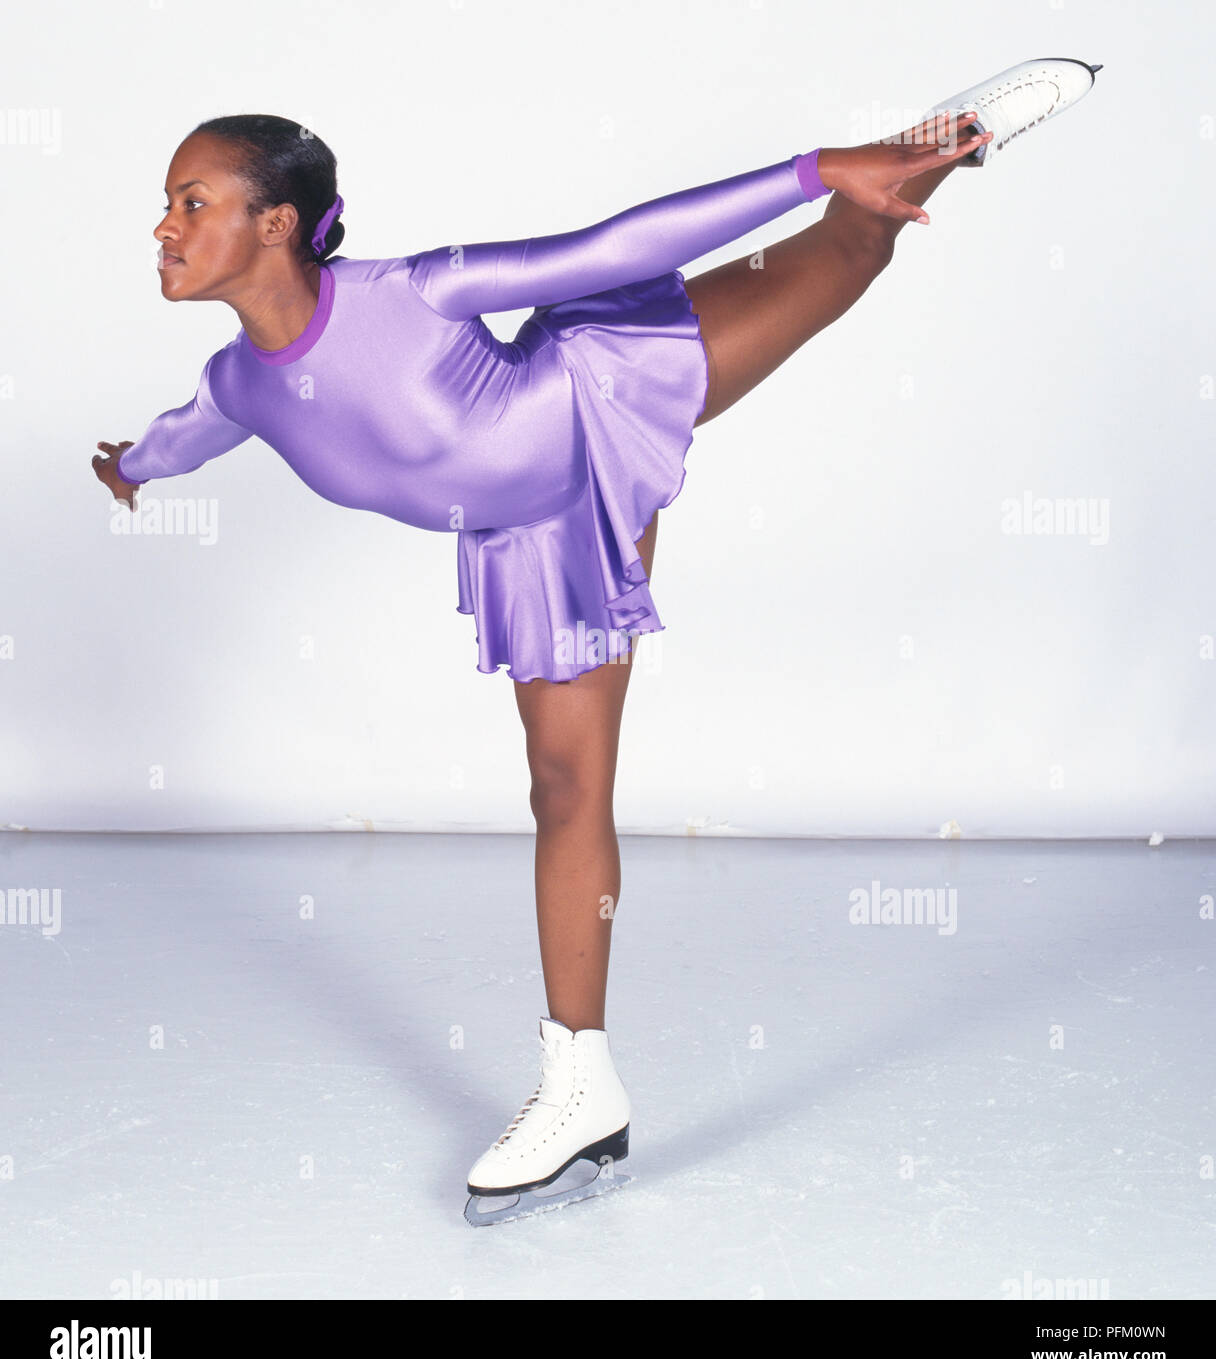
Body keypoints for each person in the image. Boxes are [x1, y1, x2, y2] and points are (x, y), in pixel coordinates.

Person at [92, 57, 1101, 1225]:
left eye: (190, 202)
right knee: (566, 787)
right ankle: (580, 1083)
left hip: (599, 390)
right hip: (538, 527)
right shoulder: (240, 384)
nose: (164, 226)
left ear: (275, 224)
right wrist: (128, 468)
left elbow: (615, 244)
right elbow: (180, 437)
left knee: (847, 250)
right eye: (169, 205)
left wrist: (823, 165)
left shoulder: (413, 293)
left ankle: (940, 142)